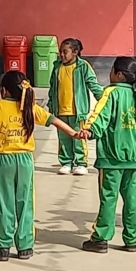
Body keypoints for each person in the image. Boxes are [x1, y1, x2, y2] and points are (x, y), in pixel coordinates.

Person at [0, 71, 80, 262]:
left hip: (5, 161)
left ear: (3, 91)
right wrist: (73, 133)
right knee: (25, 202)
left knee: (4, 202)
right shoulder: (30, 106)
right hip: (25, 161)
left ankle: (3, 246)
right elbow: (53, 120)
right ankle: (25, 246)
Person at [79, 58, 136, 254]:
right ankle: (132, 239)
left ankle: (101, 238)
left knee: (109, 198)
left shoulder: (111, 93)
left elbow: (99, 116)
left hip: (111, 158)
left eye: (112, 70)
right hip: (134, 159)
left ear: (119, 74)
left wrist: (89, 130)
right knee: (132, 200)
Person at [48, 38, 104, 176]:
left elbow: (93, 85)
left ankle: (81, 163)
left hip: (78, 111)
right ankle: (66, 162)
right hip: (60, 111)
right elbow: (53, 87)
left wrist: (104, 100)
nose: (61, 55)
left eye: (65, 52)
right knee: (63, 138)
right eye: (60, 52)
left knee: (79, 138)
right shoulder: (56, 67)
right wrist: (51, 104)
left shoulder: (83, 66)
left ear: (75, 52)